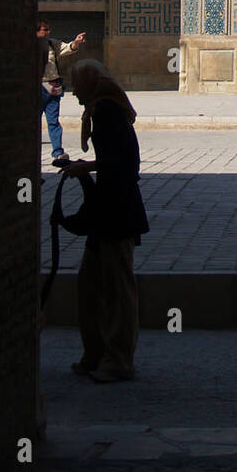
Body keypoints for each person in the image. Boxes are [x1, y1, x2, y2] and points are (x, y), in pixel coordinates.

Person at [61, 60, 149, 383]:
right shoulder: (106, 108)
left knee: (116, 291)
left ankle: (118, 359)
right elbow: (115, 160)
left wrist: (88, 171)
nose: (74, 92)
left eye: (77, 84)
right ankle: (96, 353)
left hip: (117, 212)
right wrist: (89, 168)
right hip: (111, 212)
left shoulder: (106, 112)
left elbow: (122, 164)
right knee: (92, 285)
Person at [37, 18, 86, 167]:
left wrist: (76, 42)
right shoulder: (29, 45)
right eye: (45, 30)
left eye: (48, 30)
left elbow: (67, 48)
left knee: (53, 121)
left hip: (53, 86)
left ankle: (57, 152)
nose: (48, 32)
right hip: (38, 88)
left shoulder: (52, 44)